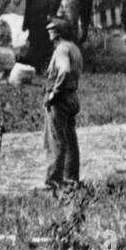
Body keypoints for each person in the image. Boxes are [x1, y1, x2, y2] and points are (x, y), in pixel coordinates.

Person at [43, 18, 83, 191]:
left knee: (56, 140)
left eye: (51, 30)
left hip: (60, 99)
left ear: (57, 33)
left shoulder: (61, 49)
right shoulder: (74, 48)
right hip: (72, 96)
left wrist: (54, 93)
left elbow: (64, 70)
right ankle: (71, 177)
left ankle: (54, 179)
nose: (49, 33)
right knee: (70, 139)